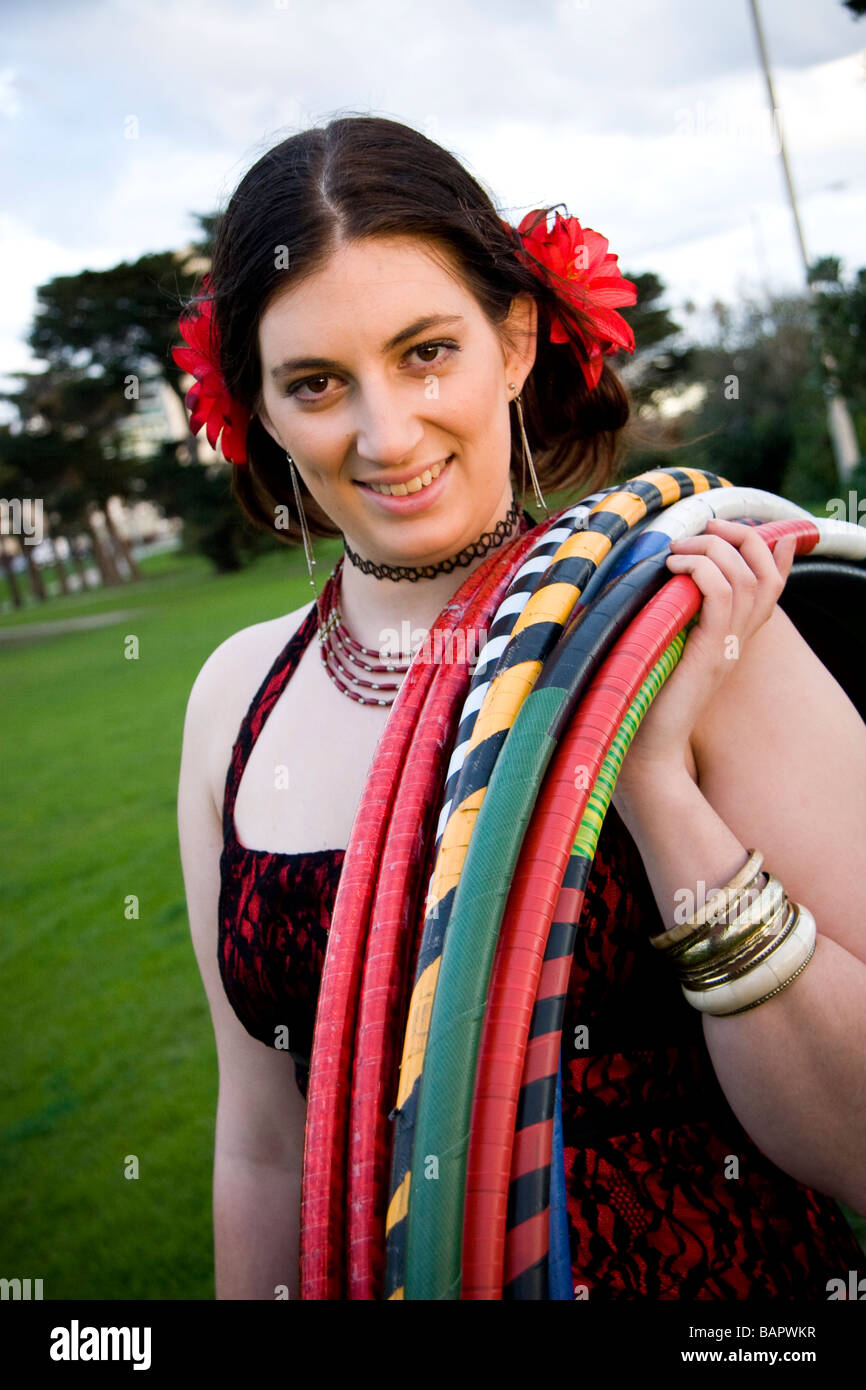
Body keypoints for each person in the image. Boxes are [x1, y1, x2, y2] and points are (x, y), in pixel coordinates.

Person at [176, 114, 866, 1301]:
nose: (386, 434)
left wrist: (648, 780)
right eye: (317, 382)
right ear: (261, 411)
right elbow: (260, 1143)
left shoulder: (690, 621)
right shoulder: (236, 697)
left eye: (424, 351)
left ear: (512, 341)